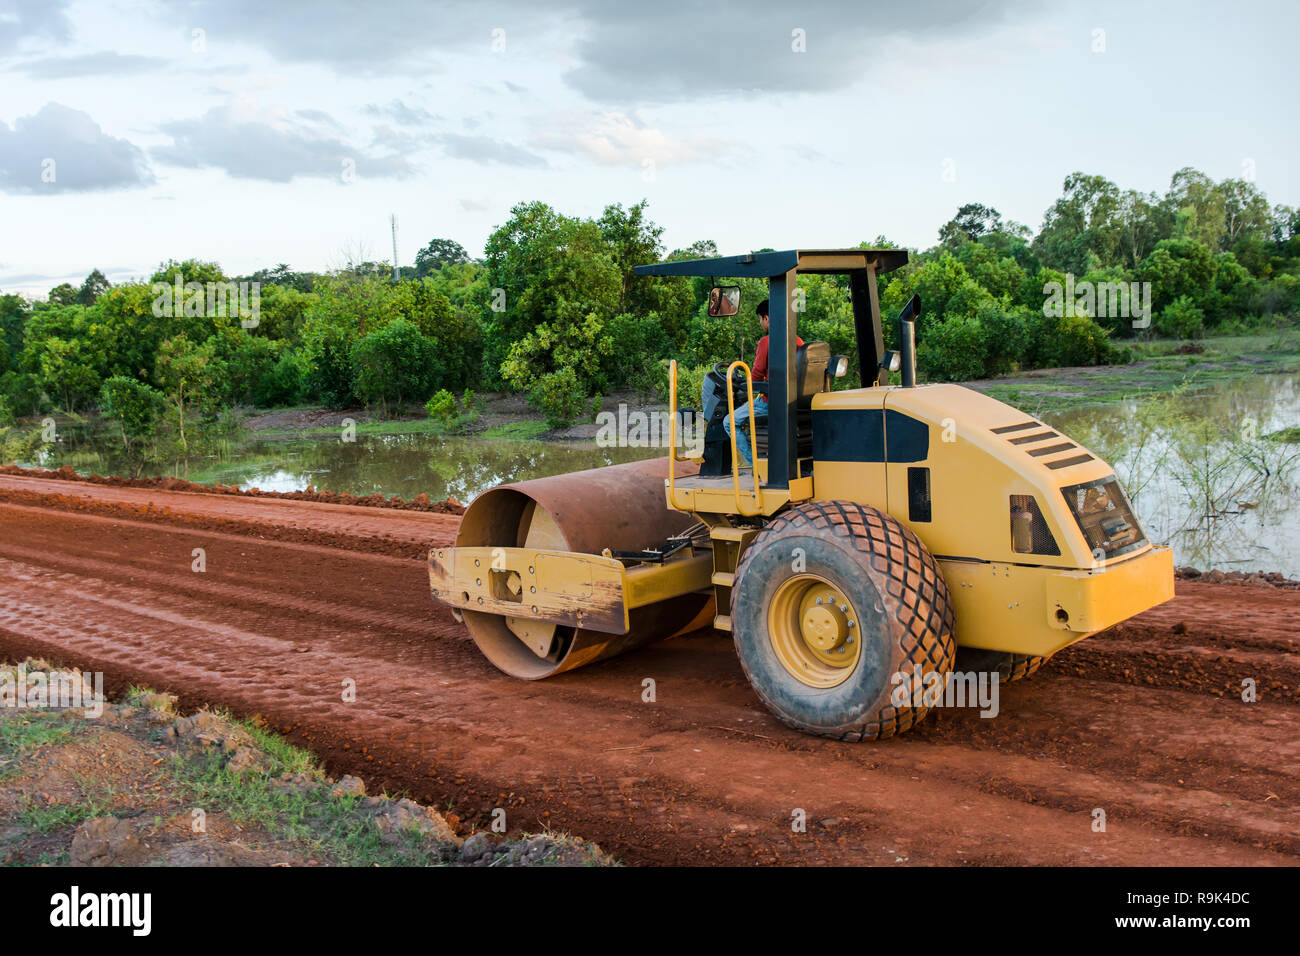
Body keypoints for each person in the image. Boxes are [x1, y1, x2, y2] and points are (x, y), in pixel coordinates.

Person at [724, 298, 803, 466]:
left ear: (766, 318)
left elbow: (757, 375)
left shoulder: (766, 342)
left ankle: (756, 466)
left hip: (771, 401)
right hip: (793, 399)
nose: (761, 323)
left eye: (760, 319)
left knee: (729, 421)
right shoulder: (798, 341)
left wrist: (743, 384)